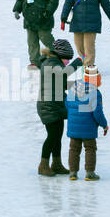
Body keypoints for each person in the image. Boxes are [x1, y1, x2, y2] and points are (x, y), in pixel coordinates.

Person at [36, 39, 74, 176]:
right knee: (52, 136)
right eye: (67, 59)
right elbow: (63, 76)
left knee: (57, 135)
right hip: (48, 106)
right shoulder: (52, 64)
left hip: (55, 105)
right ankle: (43, 165)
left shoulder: (54, 63)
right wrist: (76, 64)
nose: (67, 62)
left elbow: (61, 83)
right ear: (60, 55)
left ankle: (56, 164)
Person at [66, 68, 109, 181]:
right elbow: (97, 113)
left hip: (74, 126)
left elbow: (67, 104)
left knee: (74, 149)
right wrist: (104, 125)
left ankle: (73, 173)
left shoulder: (73, 88)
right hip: (88, 128)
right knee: (90, 148)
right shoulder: (95, 93)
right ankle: (90, 173)